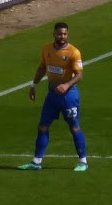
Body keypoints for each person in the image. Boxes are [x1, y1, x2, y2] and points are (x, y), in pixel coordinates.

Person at [20, 21, 88, 171]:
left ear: (67, 34)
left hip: (69, 96)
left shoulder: (73, 52)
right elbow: (42, 67)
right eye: (59, 34)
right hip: (52, 95)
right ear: (54, 34)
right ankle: (36, 162)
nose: (62, 36)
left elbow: (79, 75)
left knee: (74, 127)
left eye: (65, 34)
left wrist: (66, 85)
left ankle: (83, 161)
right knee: (42, 126)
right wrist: (33, 86)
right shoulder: (46, 49)